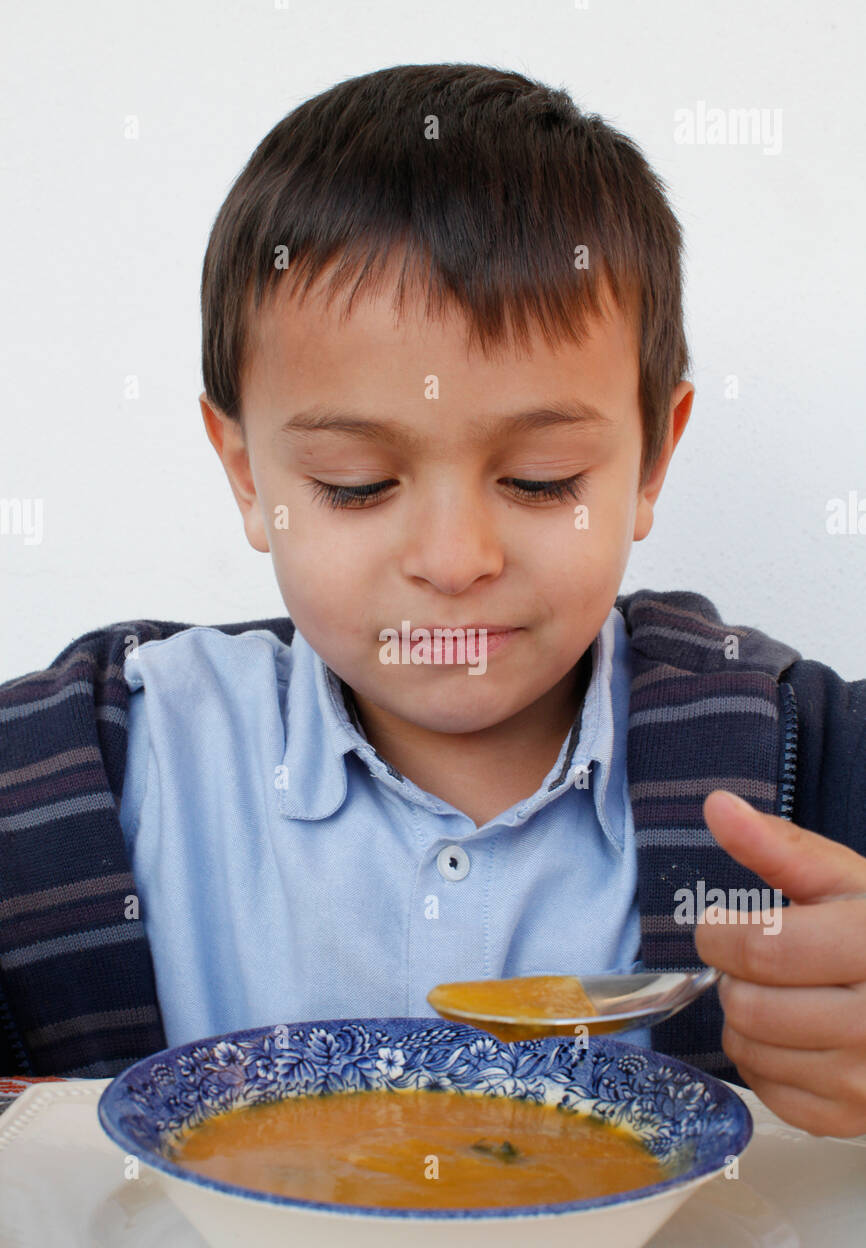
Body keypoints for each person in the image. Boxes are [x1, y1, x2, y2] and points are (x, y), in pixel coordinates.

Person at [1, 63, 864, 1136]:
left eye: (541, 479)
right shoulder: (75, 776)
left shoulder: (814, 766)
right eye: (356, 484)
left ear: (651, 461)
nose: (454, 561)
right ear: (247, 474)